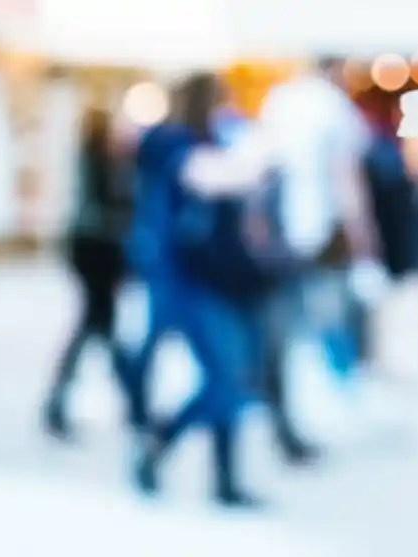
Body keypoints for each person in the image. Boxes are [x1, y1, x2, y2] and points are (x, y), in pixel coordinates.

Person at [132, 74, 274, 507]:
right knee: (227, 380)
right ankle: (162, 438)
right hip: (194, 282)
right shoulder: (173, 144)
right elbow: (214, 180)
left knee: (236, 378)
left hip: (226, 280)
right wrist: (260, 158)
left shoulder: (206, 142)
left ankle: (224, 478)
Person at [259, 59, 380, 381]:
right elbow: (348, 180)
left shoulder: (279, 100)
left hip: (283, 229)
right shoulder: (335, 106)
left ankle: (291, 396)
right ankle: (341, 384)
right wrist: (365, 243)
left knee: (291, 319)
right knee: (333, 314)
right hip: (326, 229)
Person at [43, 108, 135, 440]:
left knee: (98, 329)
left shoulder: (98, 162)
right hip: (97, 251)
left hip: (92, 250)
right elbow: (104, 211)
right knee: (98, 328)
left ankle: (131, 400)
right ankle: (133, 401)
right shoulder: (100, 164)